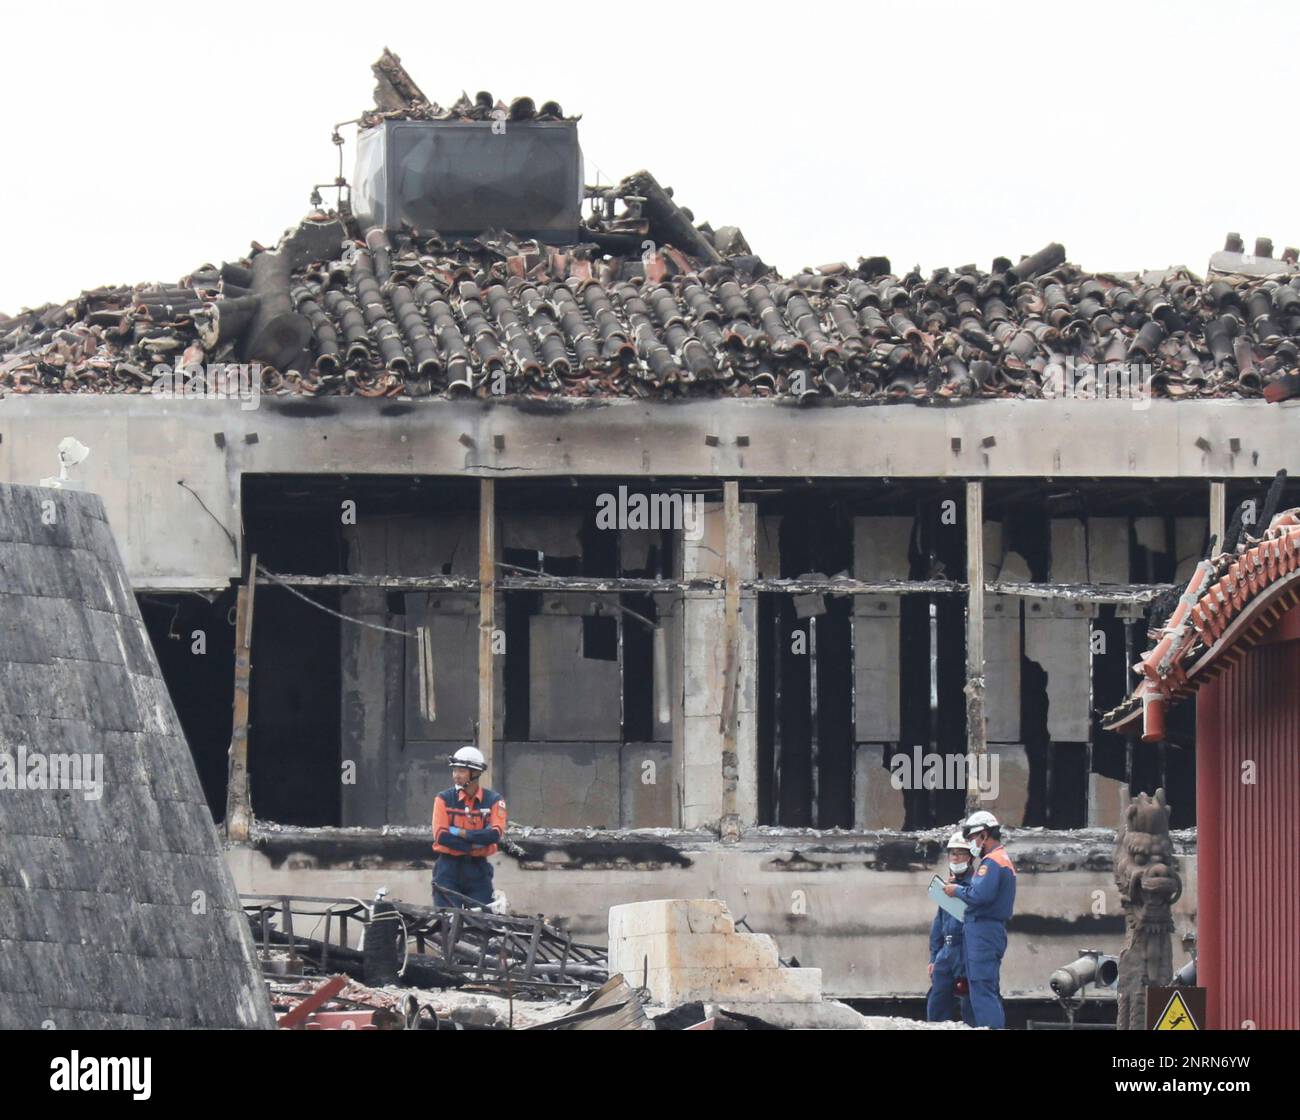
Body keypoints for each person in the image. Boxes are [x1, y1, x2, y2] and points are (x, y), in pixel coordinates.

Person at [944, 809, 1016, 1029]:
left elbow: (979, 896)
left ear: (984, 834)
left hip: (984, 931)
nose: (972, 843)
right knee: (983, 989)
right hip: (985, 931)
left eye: (972, 837)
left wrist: (956, 890)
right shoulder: (998, 860)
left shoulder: (992, 862)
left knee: (982, 989)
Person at [431, 745, 507, 908]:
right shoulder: (443, 799)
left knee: (482, 924)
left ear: (475, 773)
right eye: (454, 771)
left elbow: (494, 835)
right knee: (448, 922)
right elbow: (441, 836)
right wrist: (477, 842)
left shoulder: (494, 800)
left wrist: (459, 832)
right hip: (448, 868)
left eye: (461, 771)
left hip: (478, 870)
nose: (456, 776)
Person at [928, 830, 976, 1025]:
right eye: (952, 853)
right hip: (946, 952)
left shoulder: (975, 886)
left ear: (971, 857)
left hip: (966, 949)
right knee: (937, 1001)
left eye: (961, 853)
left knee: (970, 1002)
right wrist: (933, 957)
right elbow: (939, 923)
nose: (956, 858)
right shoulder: (947, 886)